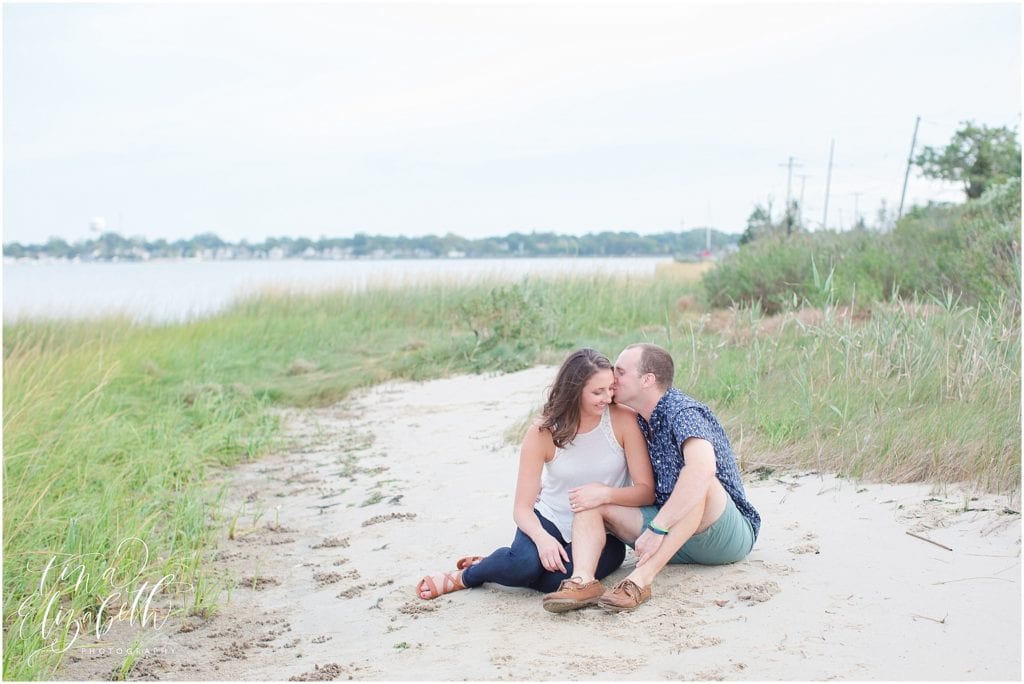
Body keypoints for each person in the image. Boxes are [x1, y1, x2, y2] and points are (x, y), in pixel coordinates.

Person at [417, 348, 655, 601]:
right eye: (597, 392)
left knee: (554, 581)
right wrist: (542, 540)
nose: (607, 398)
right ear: (574, 392)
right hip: (550, 519)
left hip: (604, 531)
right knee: (524, 566)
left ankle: (501, 563)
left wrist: (605, 495)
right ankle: (469, 575)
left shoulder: (624, 421)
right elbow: (522, 508)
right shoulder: (542, 433)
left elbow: (645, 490)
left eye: (610, 388)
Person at [541, 342, 760, 613]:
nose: (612, 377)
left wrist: (658, 528)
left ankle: (639, 581)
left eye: (620, 371)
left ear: (647, 380)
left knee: (699, 482)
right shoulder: (637, 419)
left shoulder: (684, 412)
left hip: (722, 535)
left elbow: (703, 469)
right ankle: (583, 581)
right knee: (591, 502)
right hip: (674, 539)